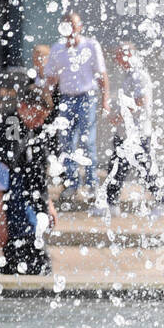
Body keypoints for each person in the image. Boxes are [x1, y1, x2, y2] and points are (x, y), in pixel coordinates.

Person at [0, 85, 59, 275]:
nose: (40, 122)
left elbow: (36, 173)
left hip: (28, 217)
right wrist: (1, 224)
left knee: (26, 267)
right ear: (24, 106)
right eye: (38, 116)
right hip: (16, 219)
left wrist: (48, 202)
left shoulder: (30, 128)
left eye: (44, 118)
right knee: (40, 267)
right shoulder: (11, 129)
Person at [43, 11, 110, 206]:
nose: (70, 29)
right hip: (66, 98)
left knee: (87, 141)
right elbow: (51, 77)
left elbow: (101, 74)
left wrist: (106, 98)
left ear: (80, 27)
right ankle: (71, 184)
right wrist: (45, 99)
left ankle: (91, 184)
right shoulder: (57, 49)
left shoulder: (91, 45)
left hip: (87, 97)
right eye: (66, 24)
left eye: (73, 25)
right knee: (66, 143)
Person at [105, 42, 164, 217]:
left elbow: (141, 100)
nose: (116, 59)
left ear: (128, 55)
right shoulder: (129, 75)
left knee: (143, 168)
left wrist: (120, 116)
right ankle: (112, 205)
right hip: (127, 132)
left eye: (119, 55)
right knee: (119, 168)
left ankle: (161, 202)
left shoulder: (138, 75)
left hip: (136, 134)